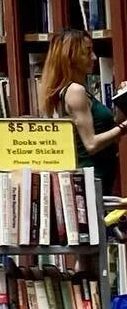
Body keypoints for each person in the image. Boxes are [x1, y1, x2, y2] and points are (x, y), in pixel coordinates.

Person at [39, 26, 124, 191]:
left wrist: (122, 101)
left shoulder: (74, 89)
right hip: (91, 181)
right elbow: (91, 144)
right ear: (70, 57)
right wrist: (124, 127)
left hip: (98, 178)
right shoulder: (75, 91)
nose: (93, 57)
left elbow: (109, 133)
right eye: (87, 52)